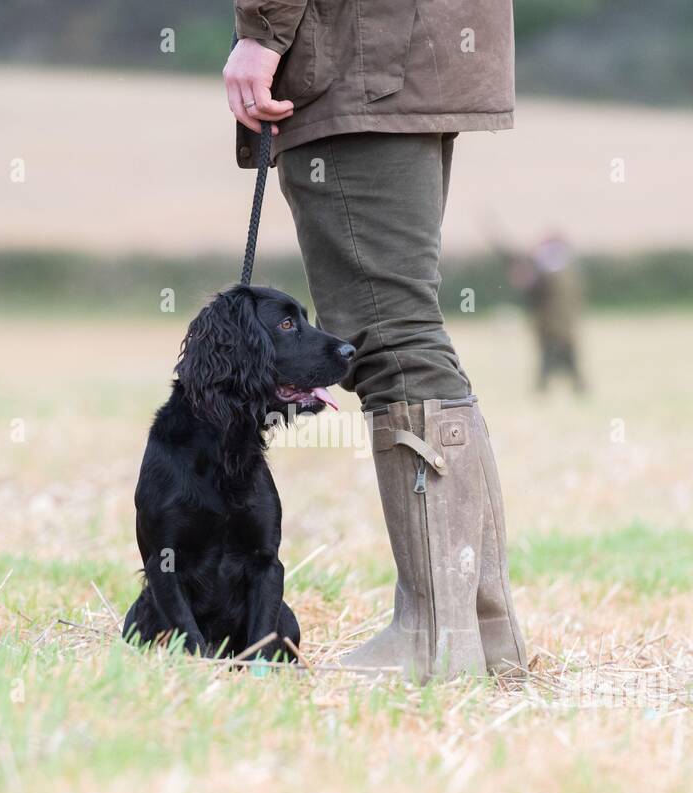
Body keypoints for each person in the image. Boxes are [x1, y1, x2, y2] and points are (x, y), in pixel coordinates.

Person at [223, 0, 525, 680]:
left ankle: (433, 637)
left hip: (364, 55)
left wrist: (263, 33)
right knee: (405, 332)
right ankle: (481, 633)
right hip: (411, 50)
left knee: (387, 339)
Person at [507, 235, 587, 393]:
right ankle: (576, 389)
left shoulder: (548, 274)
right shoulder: (571, 272)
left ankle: (545, 391)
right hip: (565, 325)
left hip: (550, 326)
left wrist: (524, 278)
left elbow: (533, 292)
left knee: (550, 362)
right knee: (568, 362)